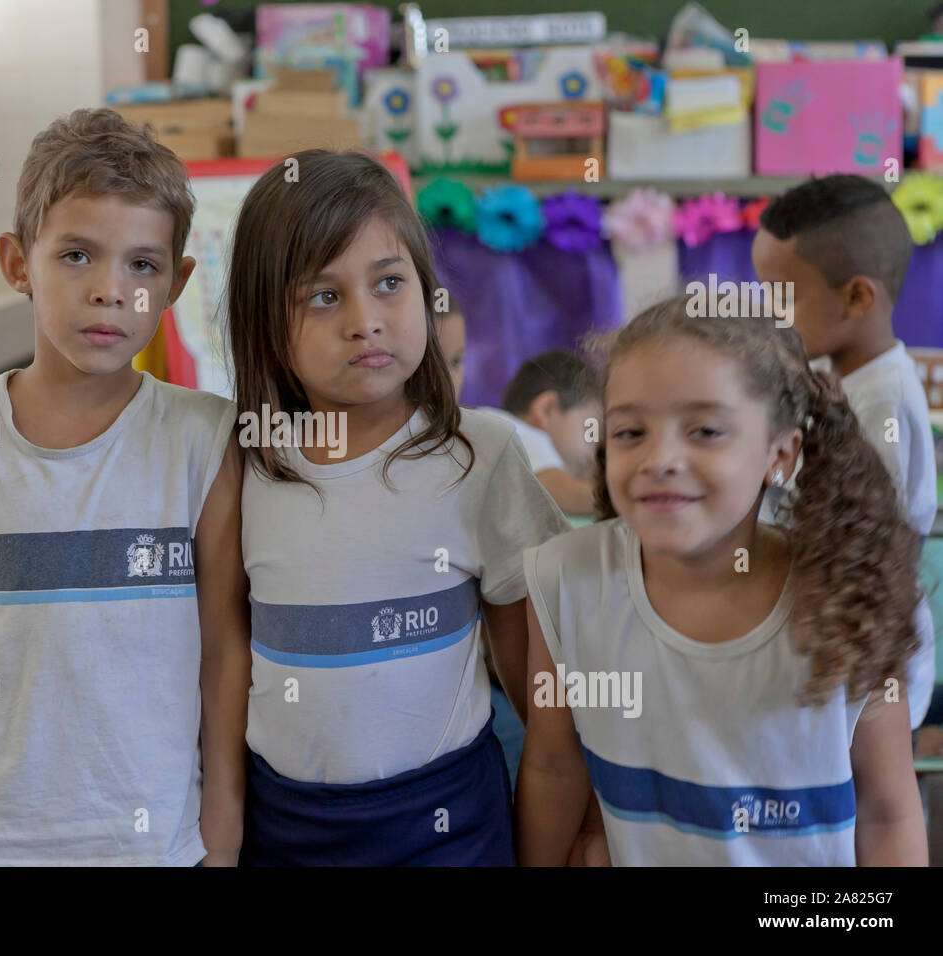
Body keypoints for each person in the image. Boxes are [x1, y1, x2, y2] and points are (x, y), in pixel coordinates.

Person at [0, 109, 249, 866]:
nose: (111, 291)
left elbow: (223, 645)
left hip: (155, 841)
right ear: (18, 263)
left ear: (177, 282)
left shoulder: (200, 440)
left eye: (143, 265)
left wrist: (223, 818)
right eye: (78, 255)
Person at [227, 149, 571, 866]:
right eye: (324, 296)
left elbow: (538, 689)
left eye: (389, 284)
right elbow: (222, 660)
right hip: (286, 822)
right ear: (264, 317)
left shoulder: (481, 453)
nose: (366, 321)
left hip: (447, 821)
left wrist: (576, 823)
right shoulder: (239, 460)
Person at [516, 294, 927, 865]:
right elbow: (551, 766)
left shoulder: (849, 595)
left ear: (780, 454)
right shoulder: (566, 578)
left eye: (705, 430)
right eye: (631, 432)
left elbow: (888, 811)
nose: (660, 457)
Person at [753, 174, 937, 730]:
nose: (769, 312)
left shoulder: (883, 402)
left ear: (858, 296)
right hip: (820, 637)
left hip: (860, 665)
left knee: (855, 809)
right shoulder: (828, 370)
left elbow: (861, 549)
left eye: (784, 296)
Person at [500, 349, 602, 516]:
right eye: (590, 430)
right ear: (547, 409)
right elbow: (565, 494)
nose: (593, 454)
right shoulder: (516, 432)